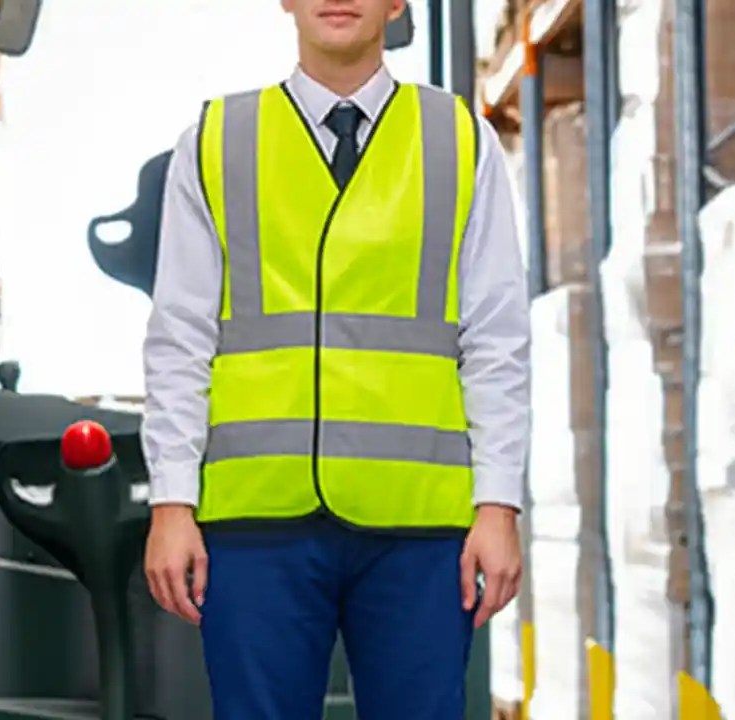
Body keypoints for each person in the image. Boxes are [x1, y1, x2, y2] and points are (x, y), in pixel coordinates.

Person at [139, 0, 530, 717]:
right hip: (255, 519)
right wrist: (171, 502)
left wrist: (499, 505)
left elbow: (498, 338)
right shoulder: (218, 140)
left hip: (420, 525)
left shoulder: (459, 140)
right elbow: (179, 338)